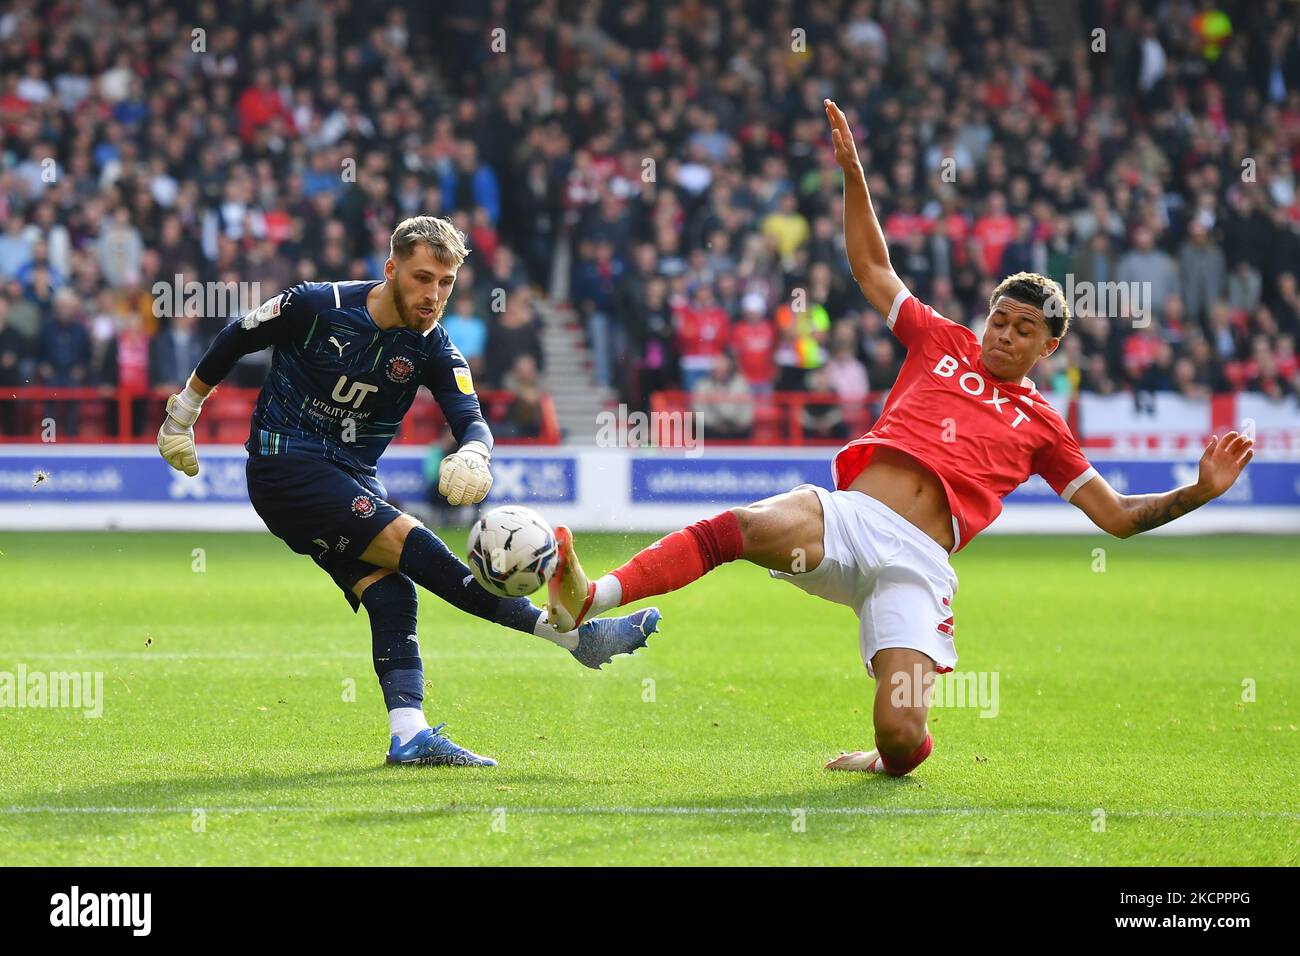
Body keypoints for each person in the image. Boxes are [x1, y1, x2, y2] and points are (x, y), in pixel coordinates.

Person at [540, 102, 1254, 778]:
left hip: (917, 567)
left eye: (1024, 330)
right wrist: (855, 177)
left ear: (1051, 345)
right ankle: (592, 596)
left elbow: (1119, 519)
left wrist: (1200, 492)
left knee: (900, 735)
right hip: (848, 521)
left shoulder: (1044, 428)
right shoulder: (939, 339)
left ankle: (888, 755)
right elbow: (872, 269)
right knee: (743, 525)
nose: (1003, 334)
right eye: (1000, 319)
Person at [156, 216, 659, 768]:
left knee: (392, 594)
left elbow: (471, 417)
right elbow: (238, 336)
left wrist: (474, 452)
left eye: (446, 283)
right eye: (422, 278)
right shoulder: (316, 305)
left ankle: (409, 735)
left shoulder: (432, 347)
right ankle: (572, 638)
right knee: (417, 547)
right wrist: (183, 412)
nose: (433, 295)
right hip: (286, 465)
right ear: (391, 269)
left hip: (351, 476)